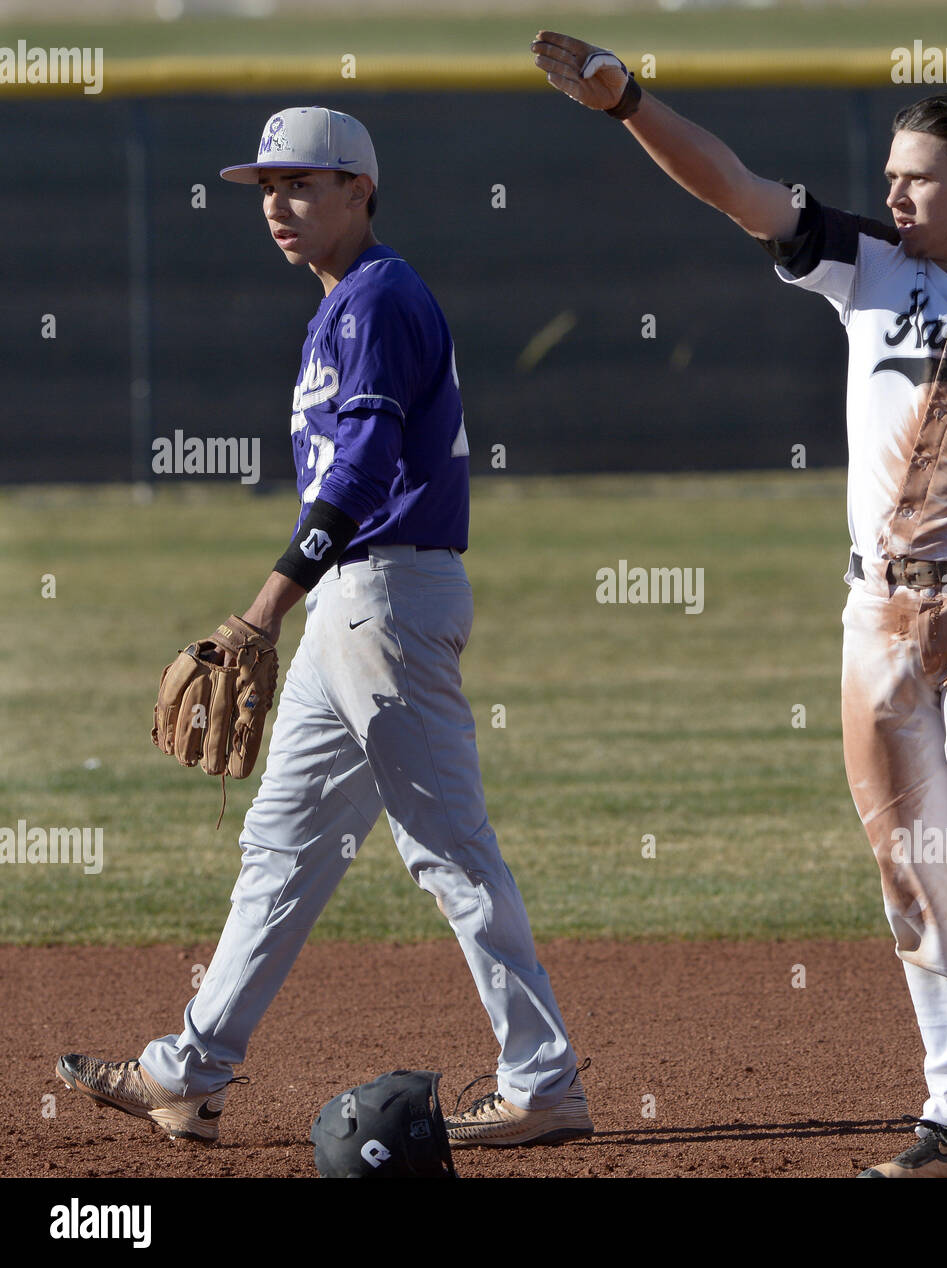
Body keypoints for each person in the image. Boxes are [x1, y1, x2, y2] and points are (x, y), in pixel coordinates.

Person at [530, 33, 947, 1177]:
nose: (891, 194)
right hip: (876, 621)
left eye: (915, 176)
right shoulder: (868, 266)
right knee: (914, 862)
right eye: (887, 179)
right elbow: (734, 189)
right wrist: (627, 102)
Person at [56, 106, 592, 1151]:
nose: (278, 205)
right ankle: (188, 1072)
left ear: (361, 191)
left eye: (302, 183)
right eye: (266, 187)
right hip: (356, 606)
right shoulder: (343, 305)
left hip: (384, 599)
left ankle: (542, 1079)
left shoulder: (381, 295)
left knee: (450, 851)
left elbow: (366, 464)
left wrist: (264, 603)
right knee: (282, 847)